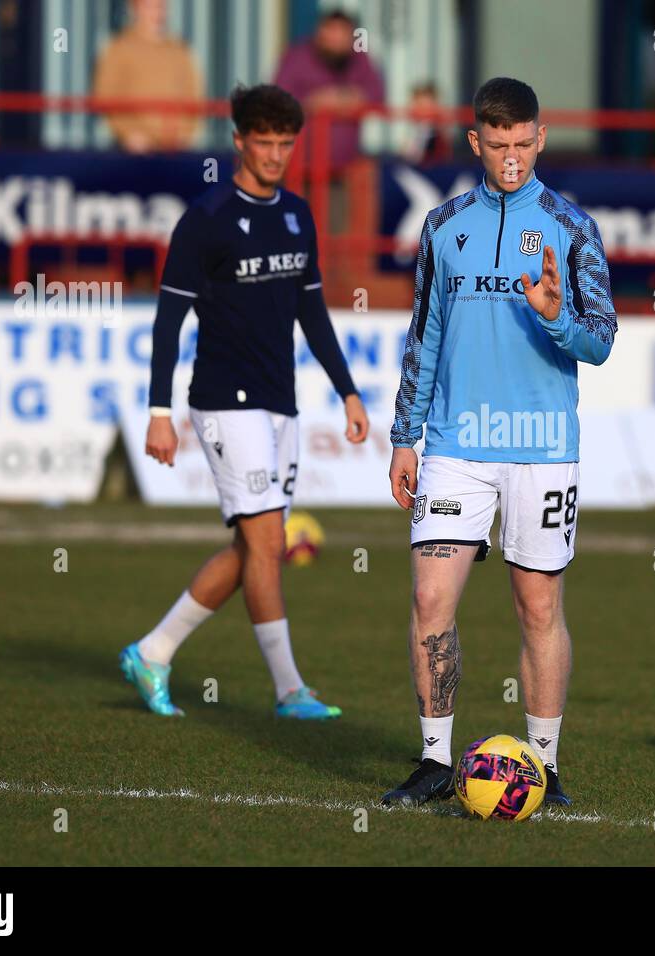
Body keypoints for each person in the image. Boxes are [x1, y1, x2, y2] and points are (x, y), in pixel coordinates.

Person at [381, 77, 617, 808]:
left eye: (524, 143)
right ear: (475, 141)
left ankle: (542, 765)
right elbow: (425, 335)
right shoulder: (443, 225)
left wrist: (553, 316)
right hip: (455, 446)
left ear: (540, 139)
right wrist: (404, 435)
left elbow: (602, 339)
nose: (511, 158)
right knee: (430, 598)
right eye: (498, 144)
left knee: (538, 607)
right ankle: (433, 761)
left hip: (543, 448)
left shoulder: (572, 226)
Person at [121, 84, 369, 720]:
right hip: (223, 402)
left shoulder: (297, 214)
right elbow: (167, 321)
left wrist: (347, 390)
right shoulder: (205, 219)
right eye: (264, 142)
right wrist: (158, 412)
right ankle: (291, 691)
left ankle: (153, 651)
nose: (276, 155)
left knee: (253, 548)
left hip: (278, 402)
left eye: (287, 143)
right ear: (238, 141)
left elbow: (311, 310)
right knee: (265, 545)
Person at [273, 9, 385, 173]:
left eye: (342, 35)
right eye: (331, 33)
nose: (336, 40)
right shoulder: (297, 56)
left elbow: (377, 93)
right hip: (296, 168)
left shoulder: (359, 58)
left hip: (344, 168)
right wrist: (312, 102)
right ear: (319, 33)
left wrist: (349, 97)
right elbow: (277, 99)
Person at [92, 0, 203, 153]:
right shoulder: (117, 48)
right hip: (132, 152)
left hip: (175, 150)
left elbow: (195, 98)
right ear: (134, 9)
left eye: (160, 6)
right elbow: (104, 97)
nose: (156, 12)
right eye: (149, 6)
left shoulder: (180, 50)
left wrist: (186, 134)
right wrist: (128, 134)